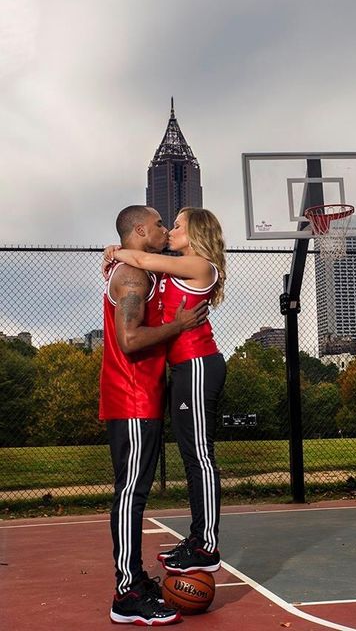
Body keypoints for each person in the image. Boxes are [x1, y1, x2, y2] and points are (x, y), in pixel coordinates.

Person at [99, 204, 209, 626]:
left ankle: (133, 580)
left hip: (139, 395)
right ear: (142, 230)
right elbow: (129, 339)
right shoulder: (132, 275)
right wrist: (179, 326)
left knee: (135, 490)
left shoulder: (135, 268)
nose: (166, 229)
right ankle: (126, 592)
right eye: (161, 224)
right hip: (131, 396)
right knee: (131, 493)